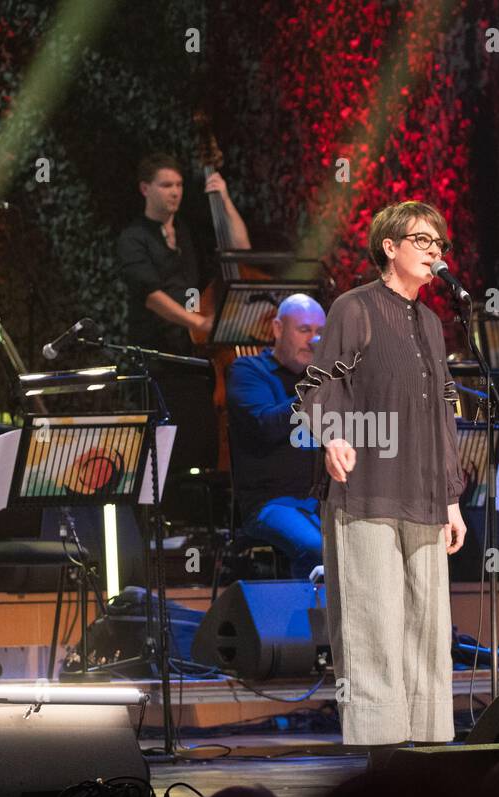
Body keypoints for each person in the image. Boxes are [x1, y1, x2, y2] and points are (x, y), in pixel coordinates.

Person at [293, 201, 467, 748]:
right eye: (422, 240)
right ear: (389, 248)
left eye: (439, 243)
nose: (434, 251)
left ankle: (429, 747)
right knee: (374, 624)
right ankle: (381, 753)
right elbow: (319, 383)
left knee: (428, 626)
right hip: (366, 490)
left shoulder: (434, 324)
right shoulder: (356, 308)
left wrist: (453, 499)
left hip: (425, 494)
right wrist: (334, 435)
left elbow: (442, 411)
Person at [117, 152, 250, 478]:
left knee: (199, 437)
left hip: (195, 356)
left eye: (178, 184)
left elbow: (240, 250)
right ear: (145, 188)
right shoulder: (133, 238)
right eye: (166, 185)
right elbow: (151, 297)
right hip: (158, 359)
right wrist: (199, 323)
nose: (174, 191)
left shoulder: (188, 232)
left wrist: (225, 199)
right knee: (168, 445)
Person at [226, 294, 326, 578]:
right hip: (270, 503)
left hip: (323, 502)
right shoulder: (249, 371)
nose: (313, 340)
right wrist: (312, 388)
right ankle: (307, 619)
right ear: (278, 329)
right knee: (316, 547)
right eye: (304, 330)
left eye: (321, 333)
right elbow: (265, 427)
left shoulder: (325, 379)